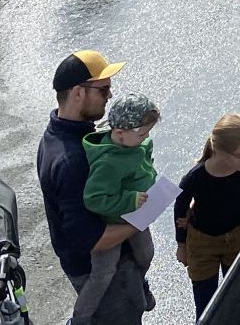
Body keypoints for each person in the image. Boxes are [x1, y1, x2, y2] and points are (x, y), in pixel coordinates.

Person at [38, 50, 146, 324]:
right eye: (103, 89)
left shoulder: (58, 134)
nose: (110, 96)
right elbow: (90, 238)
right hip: (104, 278)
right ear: (78, 93)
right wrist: (144, 216)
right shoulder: (72, 160)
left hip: (106, 271)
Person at [76, 92, 161, 320]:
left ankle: (139, 281)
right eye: (142, 133)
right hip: (113, 222)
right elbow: (94, 199)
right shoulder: (108, 163)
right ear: (120, 134)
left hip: (136, 215)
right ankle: (80, 318)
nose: (146, 137)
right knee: (103, 272)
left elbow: (144, 162)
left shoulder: (137, 144)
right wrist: (129, 199)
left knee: (146, 253)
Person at [174, 114, 240, 317]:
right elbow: (180, 210)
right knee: (205, 304)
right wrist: (181, 245)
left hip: (239, 233)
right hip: (203, 243)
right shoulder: (195, 179)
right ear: (220, 151)